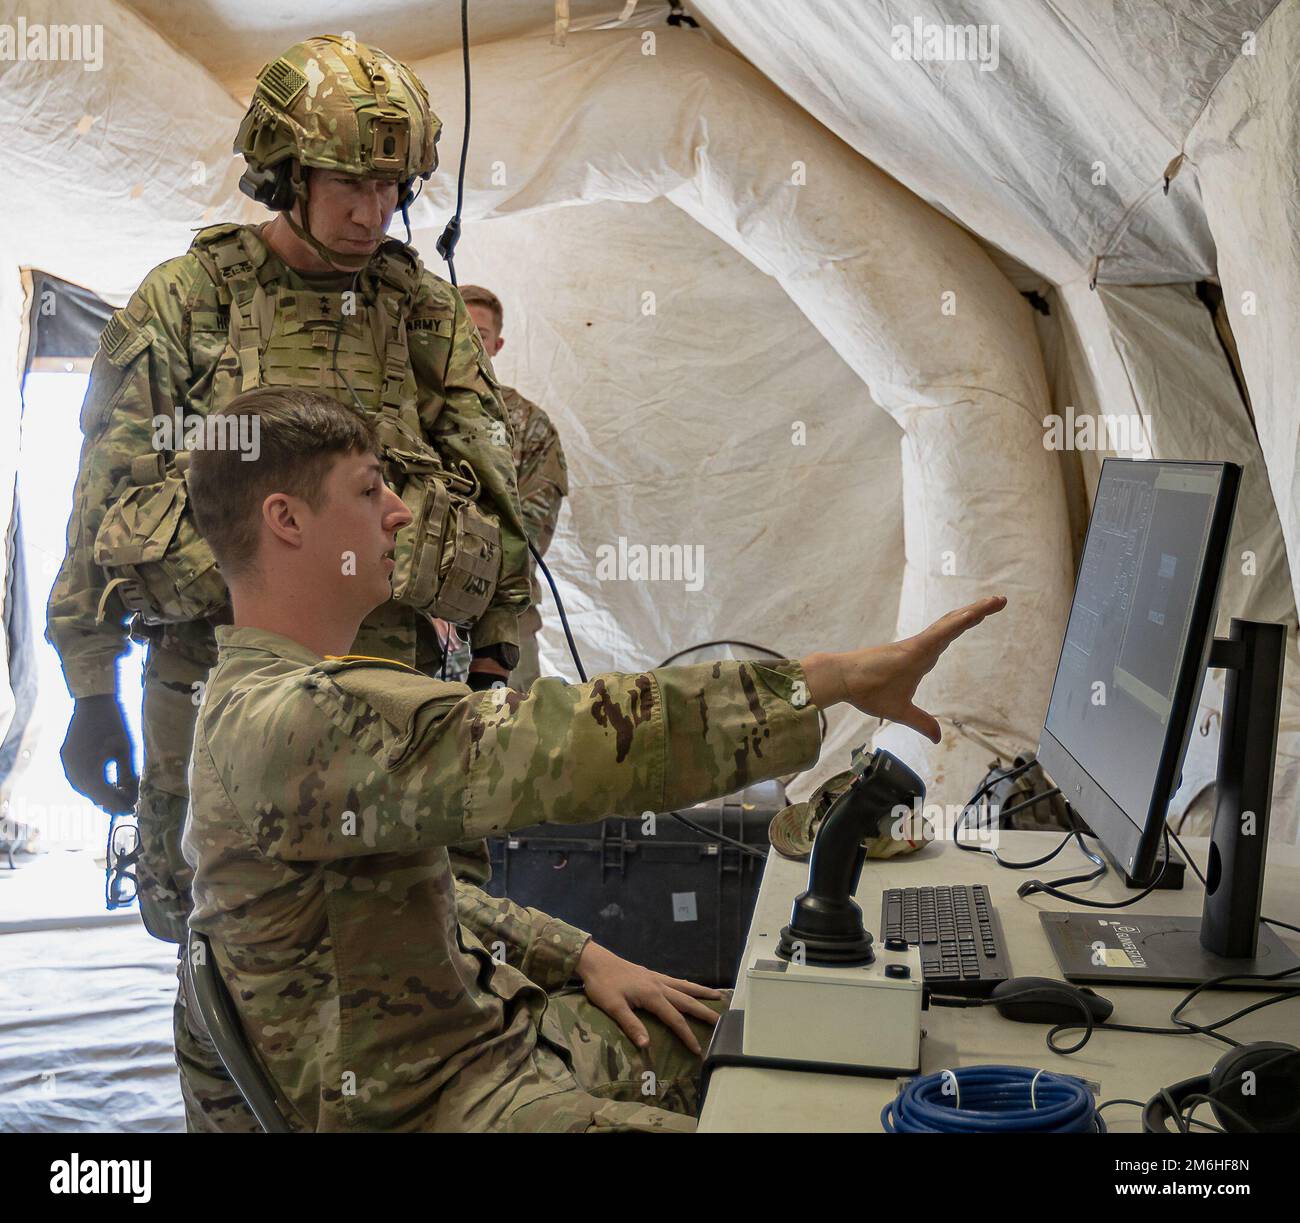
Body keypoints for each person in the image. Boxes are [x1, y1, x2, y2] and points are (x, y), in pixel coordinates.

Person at [182, 386, 1007, 1133]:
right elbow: (562, 740)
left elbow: (425, 901)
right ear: (286, 520)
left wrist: (581, 953)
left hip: (489, 1040)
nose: (399, 512)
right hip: (444, 1099)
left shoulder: (276, 694)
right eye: (369, 489)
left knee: (787, 1039)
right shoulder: (290, 721)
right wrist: (827, 681)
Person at [45, 35, 530, 1131]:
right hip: (210, 685)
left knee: (423, 923)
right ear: (283, 169)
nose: (372, 210)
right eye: (348, 179)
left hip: (391, 675)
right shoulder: (184, 304)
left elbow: (496, 505)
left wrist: (496, 653)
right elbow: (101, 498)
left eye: (391, 185)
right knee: (225, 937)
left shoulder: (422, 314)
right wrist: (85, 687)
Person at [445, 285, 569, 689]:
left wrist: (457, 590)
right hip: (413, 626)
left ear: (497, 344)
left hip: (503, 625)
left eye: (478, 333)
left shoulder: (529, 425)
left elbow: (531, 530)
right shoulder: (405, 413)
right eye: (456, 326)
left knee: (516, 743)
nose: (466, 339)